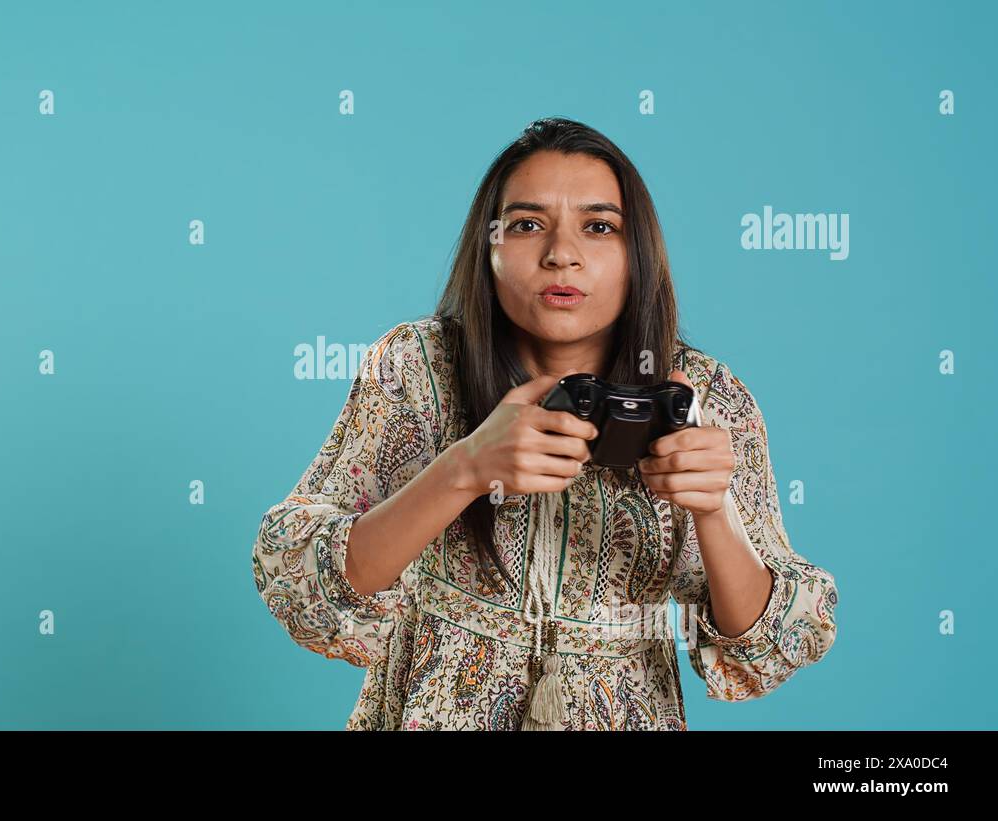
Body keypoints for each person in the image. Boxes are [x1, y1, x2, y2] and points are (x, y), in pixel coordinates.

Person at [251, 117, 839, 730]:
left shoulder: (705, 395)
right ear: (491, 245)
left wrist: (716, 512)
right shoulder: (416, 367)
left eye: (599, 227)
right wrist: (464, 467)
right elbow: (302, 583)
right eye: (528, 225)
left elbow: (765, 650)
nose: (563, 255)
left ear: (636, 253)